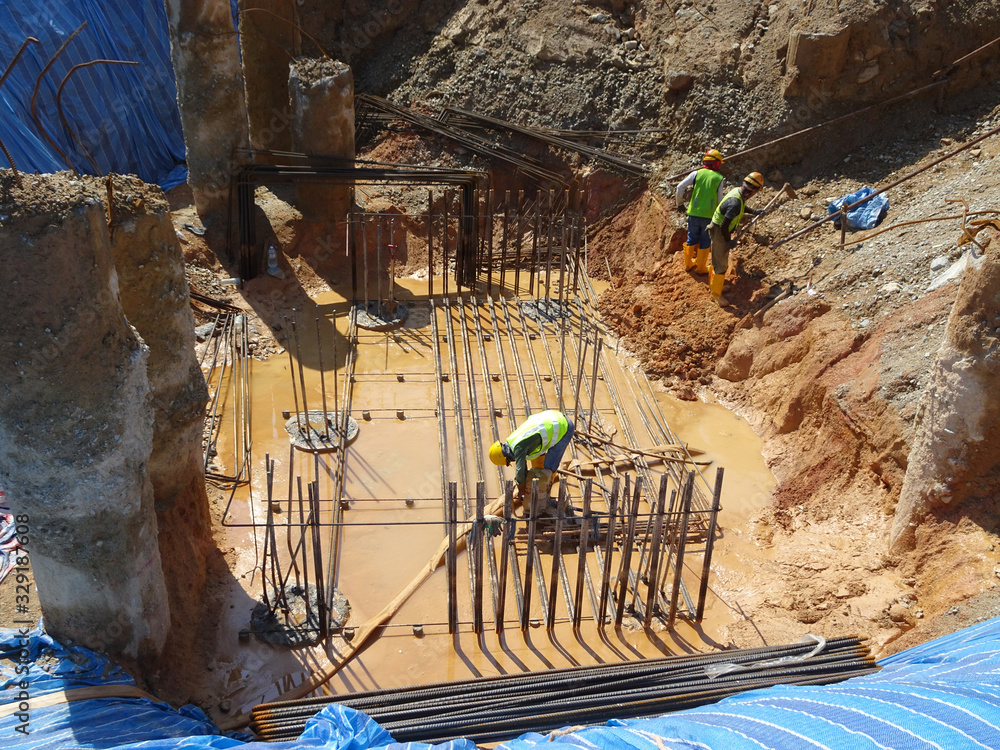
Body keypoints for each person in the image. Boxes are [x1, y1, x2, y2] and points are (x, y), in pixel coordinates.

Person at [488, 410, 574, 516]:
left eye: (509, 461)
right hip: (555, 418)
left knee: (548, 467)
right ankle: (542, 491)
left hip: (564, 428)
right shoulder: (512, 439)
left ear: (506, 457)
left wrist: (521, 489)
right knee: (537, 465)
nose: (512, 461)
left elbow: (520, 471)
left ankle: (544, 496)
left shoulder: (518, 448)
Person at [708, 171, 765, 304]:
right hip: (719, 231)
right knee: (721, 264)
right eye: (756, 191)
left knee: (717, 259)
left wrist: (754, 212)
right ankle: (716, 294)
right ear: (752, 190)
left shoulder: (738, 193)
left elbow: (742, 207)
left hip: (719, 229)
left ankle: (716, 286)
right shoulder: (735, 203)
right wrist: (729, 241)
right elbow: (723, 226)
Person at [675, 148, 726, 274]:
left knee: (691, 238)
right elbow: (720, 199)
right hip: (709, 216)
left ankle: (688, 265)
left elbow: (679, 187)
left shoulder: (696, 174)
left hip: (693, 213)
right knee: (705, 240)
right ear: (717, 163)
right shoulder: (719, 178)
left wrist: (680, 204)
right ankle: (701, 268)